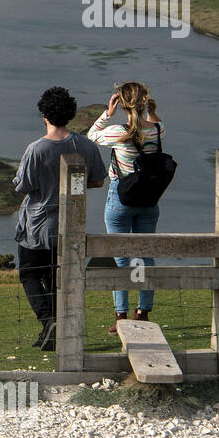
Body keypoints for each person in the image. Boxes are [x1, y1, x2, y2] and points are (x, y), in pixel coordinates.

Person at [14, 87, 107, 352]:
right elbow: (98, 180)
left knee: (30, 275)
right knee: (58, 277)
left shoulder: (36, 149)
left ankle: (49, 320)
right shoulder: (86, 145)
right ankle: (54, 329)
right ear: (70, 114)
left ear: (44, 114)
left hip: (38, 224)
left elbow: (23, 186)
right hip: (70, 224)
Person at [88, 81, 164, 335]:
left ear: (121, 103)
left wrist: (107, 113)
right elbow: (161, 128)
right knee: (146, 256)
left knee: (120, 258)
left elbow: (91, 136)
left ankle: (120, 315)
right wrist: (151, 113)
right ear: (145, 103)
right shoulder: (155, 130)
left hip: (120, 198)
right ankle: (143, 312)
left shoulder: (115, 132)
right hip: (149, 200)